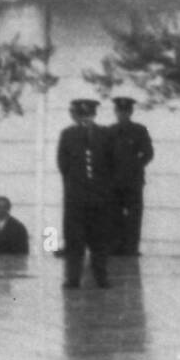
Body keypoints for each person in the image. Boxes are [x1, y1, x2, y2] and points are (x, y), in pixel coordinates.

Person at [57, 98, 113, 288]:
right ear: (77, 116)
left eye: (88, 116)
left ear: (94, 115)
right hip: (76, 199)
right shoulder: (68, 135)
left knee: (100, 241)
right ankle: (73, 278)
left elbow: (112, 163)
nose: (85, 120)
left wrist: (103, 189)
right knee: (74, 240)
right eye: (82, 116)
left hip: (99, 198)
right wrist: (76, 186)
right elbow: (63, 164)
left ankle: (101, 277)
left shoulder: (105, 134)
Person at [109, 97, 154, 257]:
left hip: (133, 181)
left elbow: (148, 153)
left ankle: (131, 248)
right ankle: (116, 247)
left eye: (126, 112)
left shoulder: (140, 130)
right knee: (115, 215)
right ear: (115, 112)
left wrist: (134, 165)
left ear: (131, 112)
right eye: (120, 111)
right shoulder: (109, 131)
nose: (123, 114)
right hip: (113, 182)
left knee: (134, 216)